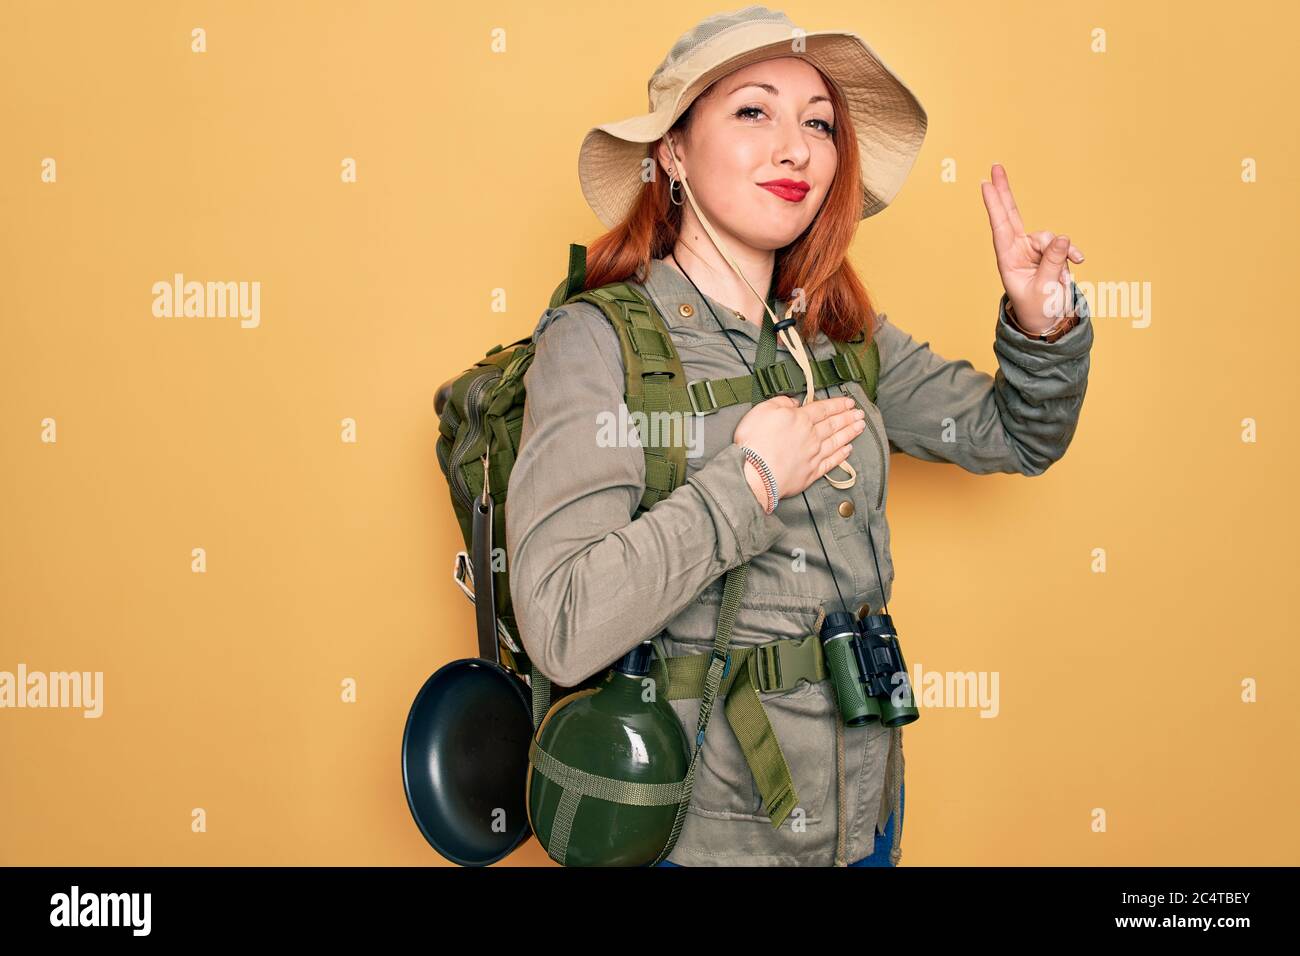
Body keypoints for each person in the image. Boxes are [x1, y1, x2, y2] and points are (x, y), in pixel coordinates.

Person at [506, 5, 1093, 867]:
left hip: (866, 817)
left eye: (818, 124)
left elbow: (1015, 434)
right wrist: (749, 481)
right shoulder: (598, 343)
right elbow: (560, 623)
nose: (797, 148)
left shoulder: (841, 337)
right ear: (671, 149)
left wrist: (1044, 327)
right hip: (700, 838)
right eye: (754, 111)